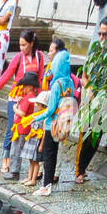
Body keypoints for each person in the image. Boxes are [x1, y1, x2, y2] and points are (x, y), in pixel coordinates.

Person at [0, 28, 44, 172]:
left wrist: (42, 99)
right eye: (20, 45)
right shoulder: (18, 58)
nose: (22, 48)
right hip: (16, 97)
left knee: (28, 129)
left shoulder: (39, 56)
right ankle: (5, 159)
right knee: (11, 129)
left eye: (24, 45)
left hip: (32, 99)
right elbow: (6, 76)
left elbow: (40, 79)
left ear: (32, 43)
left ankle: (26, 163)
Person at [74, 18, 107, 183]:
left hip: (105, 99)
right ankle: (79, 172)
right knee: (85, 135)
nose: (101, 37)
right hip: (91, 97)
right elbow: (84, 74)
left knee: (96, 137)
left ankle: (84, 168)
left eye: (104, 34)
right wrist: (88, 87)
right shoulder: (95, 48)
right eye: (99, 33)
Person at [33, 45, 76, 197]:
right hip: (63, 124)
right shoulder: (70, 82)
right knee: (54, 154)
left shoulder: (57, 85)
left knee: (48, 156)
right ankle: (48, 184)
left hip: (52, 125)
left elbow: (50, 110)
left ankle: (46, 186)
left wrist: (35, 117)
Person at [6, 69, 41, 183]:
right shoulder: (29, 98)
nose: (23, 89)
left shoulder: (28, 99)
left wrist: (15, 108)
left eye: (24, 86)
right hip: (20, 129)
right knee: (15, 149)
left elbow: (22, 113)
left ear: (30, 86)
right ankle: (13, 171)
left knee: (16, 151)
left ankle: (14, 172)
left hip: (22, 129)